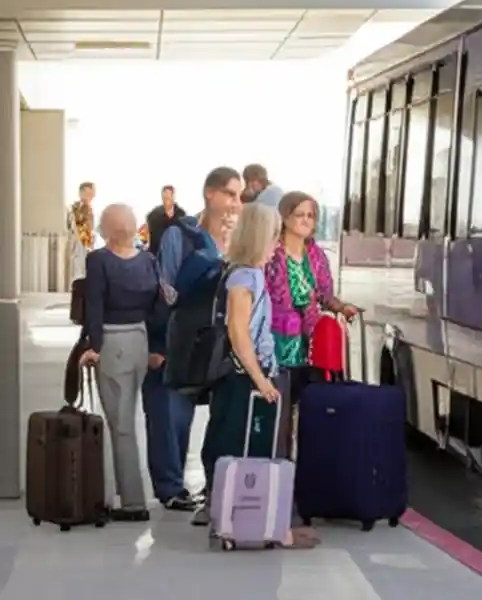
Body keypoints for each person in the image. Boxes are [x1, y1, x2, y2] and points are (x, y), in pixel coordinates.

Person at [201, 202, 319, 549]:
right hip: (245, 379)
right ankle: (243, 524)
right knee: (244, 449)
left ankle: (248, 523)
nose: (276, 245)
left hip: (247, 376)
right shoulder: (243, 278)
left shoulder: (246, 274)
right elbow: (239, 334)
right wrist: (261, 379)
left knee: (241, 448)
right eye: (272, 238)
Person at [147, 166, 243, 519]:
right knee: (172, 416)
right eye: (231, 194)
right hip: (185, 339)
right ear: (210, 194)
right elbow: (166, 290)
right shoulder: (182, 236)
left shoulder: (241, 236)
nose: (236, 203)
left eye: (240, 196)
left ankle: (215, 484)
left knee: (224, 418)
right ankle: (172, 489)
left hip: (226, 340)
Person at [78, 204, 165, 523]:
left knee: (121, 425)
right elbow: (159, 306)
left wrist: (94, 347)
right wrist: (154, 349)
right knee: (130, 420)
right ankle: (129, 494)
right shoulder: (148, 261)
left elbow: (95, 305)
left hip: (113, 343)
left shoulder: (99, 260)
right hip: (140, 339)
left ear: (105, 229)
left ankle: (132, 502)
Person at [266, 191, 358, 457]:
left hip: (311, 345)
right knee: (281, 417)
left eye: (311, 215)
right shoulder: (272, 254)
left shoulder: (316, 255)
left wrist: (341, 308)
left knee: (312, 414)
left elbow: (326, 296)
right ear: (285, 217)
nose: (306, 220)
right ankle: (280, 471)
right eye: (300, 215)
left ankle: (309, 473)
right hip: (279, 344)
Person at [144, 185, 186, 255]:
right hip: (158, 252)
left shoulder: (181, 214)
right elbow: (153, 236)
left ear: (173, 197)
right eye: (164, 198)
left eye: (168, 197)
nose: (166, 200)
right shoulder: (154, 214)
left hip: (176, 253)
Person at [67, 181, 96, 279]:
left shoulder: (87, 207)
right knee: (80, 272)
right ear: (82, 192)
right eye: (90, 192)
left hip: (85, 245)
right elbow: (80, 229)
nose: (93, 195)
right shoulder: (78, 207)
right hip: (81, 245)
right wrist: (88, 245)